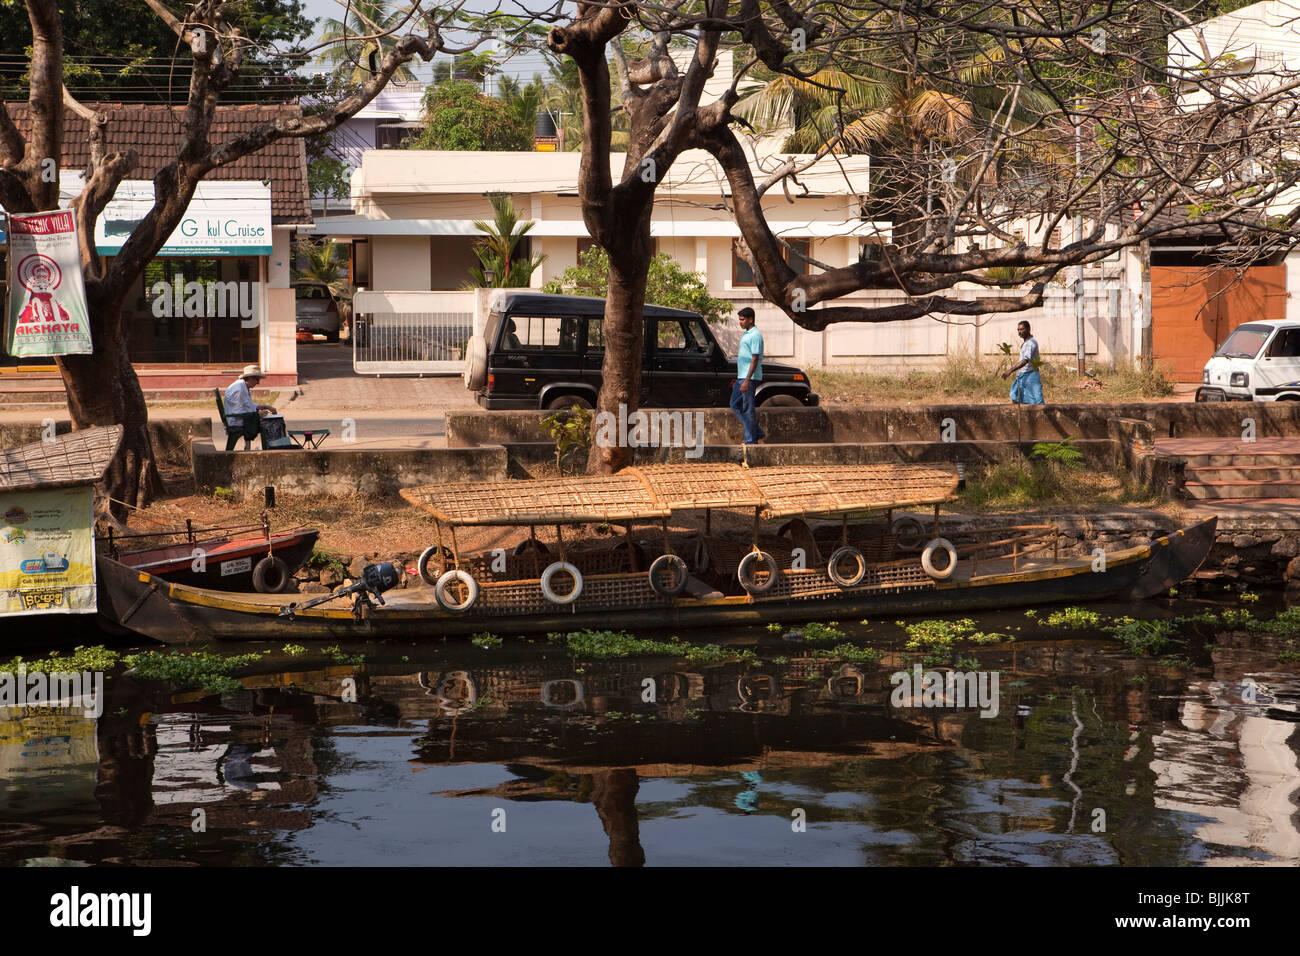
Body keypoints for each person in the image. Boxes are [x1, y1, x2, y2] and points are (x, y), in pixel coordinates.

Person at [730, 307, 766, 445]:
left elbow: (755, 359)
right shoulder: (747, 334)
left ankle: (750, 441)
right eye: (739, 319)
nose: (740, 322)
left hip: (749, 379)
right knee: (734, 404)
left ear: (751, 319)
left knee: (747, 408)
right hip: (742, 377)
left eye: (742, 319)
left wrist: (746, 380)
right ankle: (756, 431)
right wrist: (740, 378)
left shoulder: (755, 335)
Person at [223, 364, 277, 451]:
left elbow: (249, 405)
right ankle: (272, 450)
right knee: (271, 424)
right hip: (236, 421)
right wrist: (257, 415)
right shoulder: (239, 389)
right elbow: (238, 412)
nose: (258, 383)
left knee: (272, 420)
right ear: (250, 378)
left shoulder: (243, 386)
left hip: (241, 418)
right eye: (257, 379)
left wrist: (266, 407)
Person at [1002, 320, 1044, 405]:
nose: (1019, 332)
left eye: (1022, 329)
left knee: (1037, 402)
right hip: (1023, 375)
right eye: (1018, 330)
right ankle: (1019, 413)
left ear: (1028, 329)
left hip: (1031, 375)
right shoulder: (1026, 343)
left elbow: (1025, 360)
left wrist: (1010, 370)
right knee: (1015, 397)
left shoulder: (1031, 343)